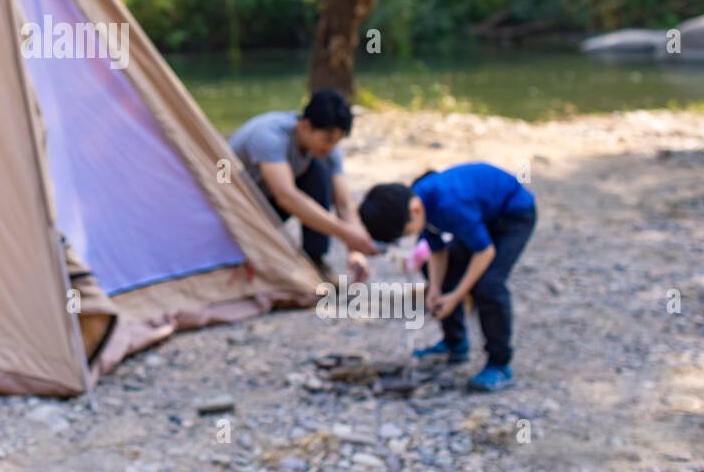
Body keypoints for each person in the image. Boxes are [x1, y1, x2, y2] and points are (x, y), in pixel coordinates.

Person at [356, 163, 537, 393]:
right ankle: (455, 344)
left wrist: (455, 296)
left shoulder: (451, 205)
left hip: (512, 216)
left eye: (405, 233)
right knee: (439, 273)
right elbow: (437, 248)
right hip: (480, 218)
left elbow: (485, 252)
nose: (408, 237)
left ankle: (499, 364)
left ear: (414, 212)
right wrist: (435, 289)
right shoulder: (418, 202)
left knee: (489, 285)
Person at [228, 89, 378, 282]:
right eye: (328, 139)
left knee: (318, 171)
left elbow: (344, 203)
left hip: (268, 205)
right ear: (305, 126)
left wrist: (356, 250)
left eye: (337, 142)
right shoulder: (269, 135)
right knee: (316, 172)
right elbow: (286, 196)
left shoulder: (327, 149)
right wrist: (345, 233)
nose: (331, 147)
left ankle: (315, 261)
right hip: (238, 207)